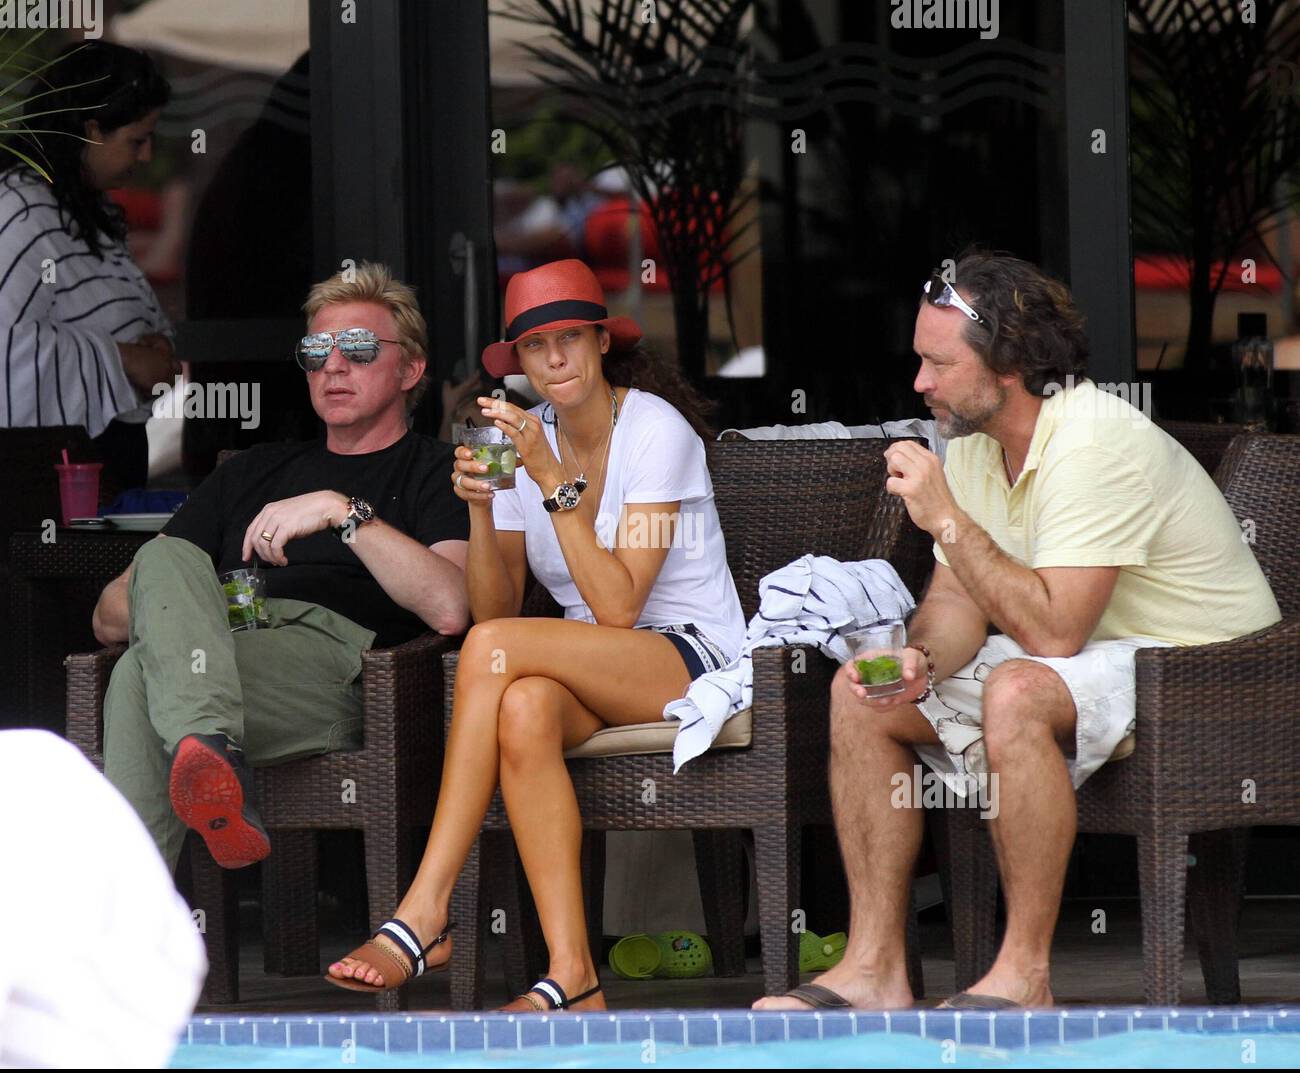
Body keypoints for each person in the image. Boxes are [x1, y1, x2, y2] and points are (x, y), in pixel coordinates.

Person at [756, 249, 1282, 1012]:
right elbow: (957, 603)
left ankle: (1024, 976)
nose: (919, 384)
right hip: (1098, 649)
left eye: (937, 363)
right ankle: (874, 968)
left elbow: (1055, 634)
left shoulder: (1094, 440)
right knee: (859, 691)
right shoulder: (971, 445)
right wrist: (920, 657)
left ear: (1007, 364)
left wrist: (943, 517)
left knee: (1018, 691)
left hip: (1209, 668)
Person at [326, 258, 746, 1012]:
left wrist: (553, 478)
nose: (554, 359)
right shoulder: (519, 440)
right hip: (593, 659)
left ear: (599, 343)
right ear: (517, 360)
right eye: (534, 346)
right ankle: (572, 973)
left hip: (689, 653)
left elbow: (620, 607)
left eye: (570, 339)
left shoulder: (655, 430)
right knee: (520, 707)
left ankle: (424, 910)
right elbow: (494, 608)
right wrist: (483, 510)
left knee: (494, 656)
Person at [92, 263, 470, 875]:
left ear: (410, 368)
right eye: (317, 351)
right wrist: (193, 614)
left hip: (338, 670)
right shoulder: (250, 471)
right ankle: (209, 748)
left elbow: (451, 606)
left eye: (358, 347)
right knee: (162, 562)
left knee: (137, 676)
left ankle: (124, 939)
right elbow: (109, 616)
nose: (334, 365)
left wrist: (340, 510)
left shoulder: (440, 470)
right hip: (223, 648)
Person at [0, 42, 179, 489]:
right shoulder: (18, 210)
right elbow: (7, 347)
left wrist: (154, 346)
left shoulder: (83, 207)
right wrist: (125, 358)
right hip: (49, 469)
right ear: (91, 130)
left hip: (105, 448)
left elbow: (132, 314)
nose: (146, 157)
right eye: (136, 140)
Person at [0, 729, 205, 1068]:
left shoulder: (32, 770)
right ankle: (207, 741)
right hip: (148, 963)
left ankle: (208, 741)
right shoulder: (40, 761)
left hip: (89, 1003)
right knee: (134, 675)